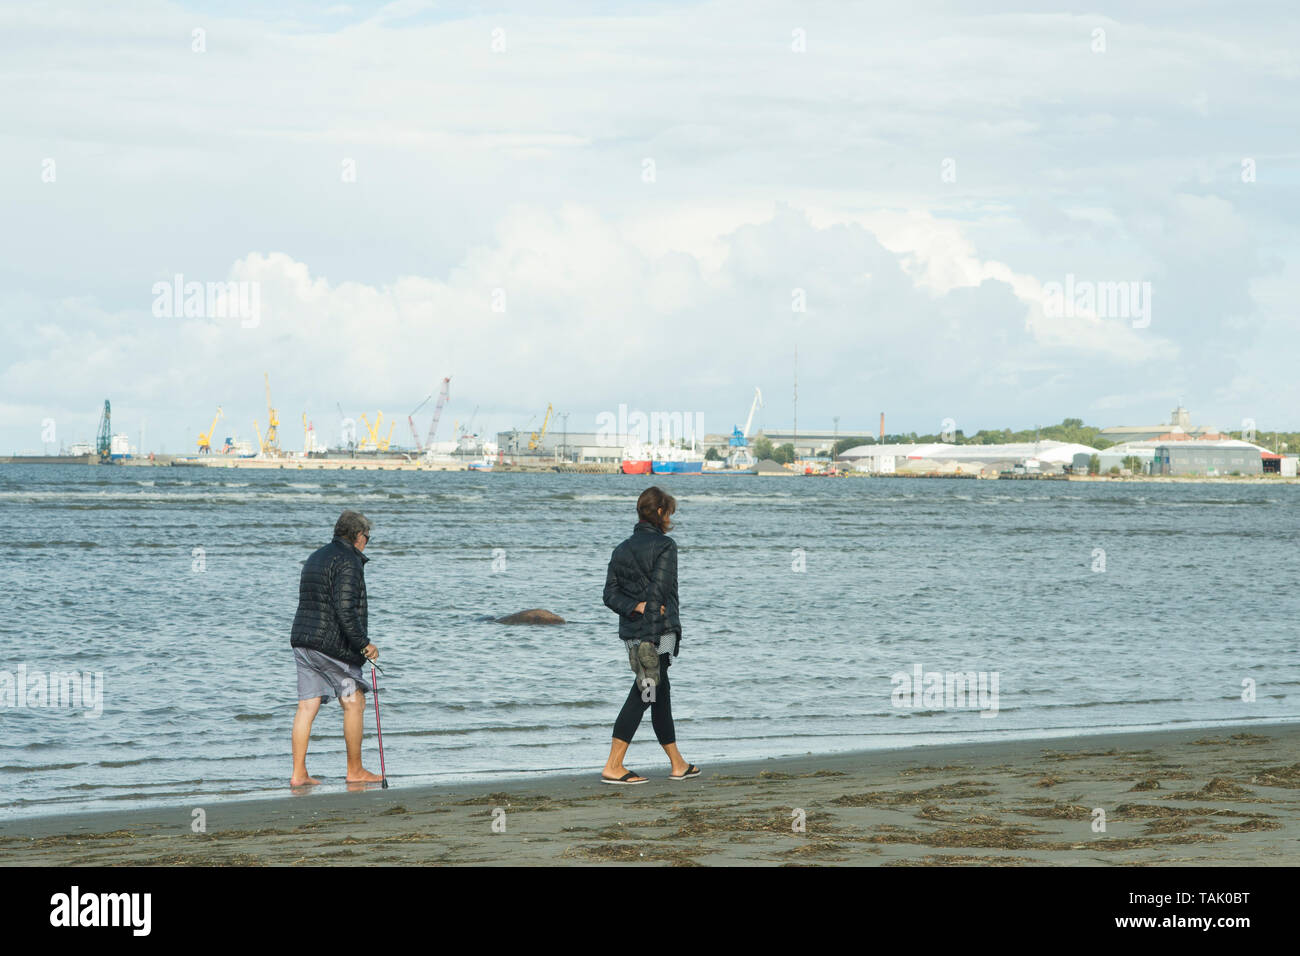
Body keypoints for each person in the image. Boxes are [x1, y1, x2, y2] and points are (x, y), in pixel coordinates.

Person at [599, 486, 700, 784]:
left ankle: (677, 763)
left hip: (634, 633)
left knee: (659, 694)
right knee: (645, 693)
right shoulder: (666, 546)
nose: (669, 519)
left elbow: (609, 595)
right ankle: (614, 765)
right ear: (658, 513)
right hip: (657, 633)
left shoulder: (621, 548)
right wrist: (651, 638)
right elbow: (658, 595)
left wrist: (635, 607)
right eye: (667, 512)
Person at [289, 510, 382, 786]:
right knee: (354, 701)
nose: (367, 542)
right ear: (357, 536)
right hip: (330, 645)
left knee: (307, 704)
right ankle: (355, 771)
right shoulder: (349, 561)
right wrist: (363, 643)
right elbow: (345, 610)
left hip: (302, 640)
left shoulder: (315, 556)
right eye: (367, 537)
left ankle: (298, 774)